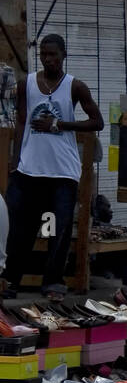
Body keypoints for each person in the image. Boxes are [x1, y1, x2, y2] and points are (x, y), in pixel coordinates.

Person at [5, 33, 104, 299]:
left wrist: (60, 125)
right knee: (21, 229)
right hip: (30, 170)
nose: (48, 60)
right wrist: (15, 162)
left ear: (63, 56)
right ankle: (11, 281)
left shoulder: (75, 86)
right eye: (44, 55)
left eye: (53, 55)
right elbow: (22, 121)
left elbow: (97, 122)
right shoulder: (27, 84)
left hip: (62, 172)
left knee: (57, 231)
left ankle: (52, 283)